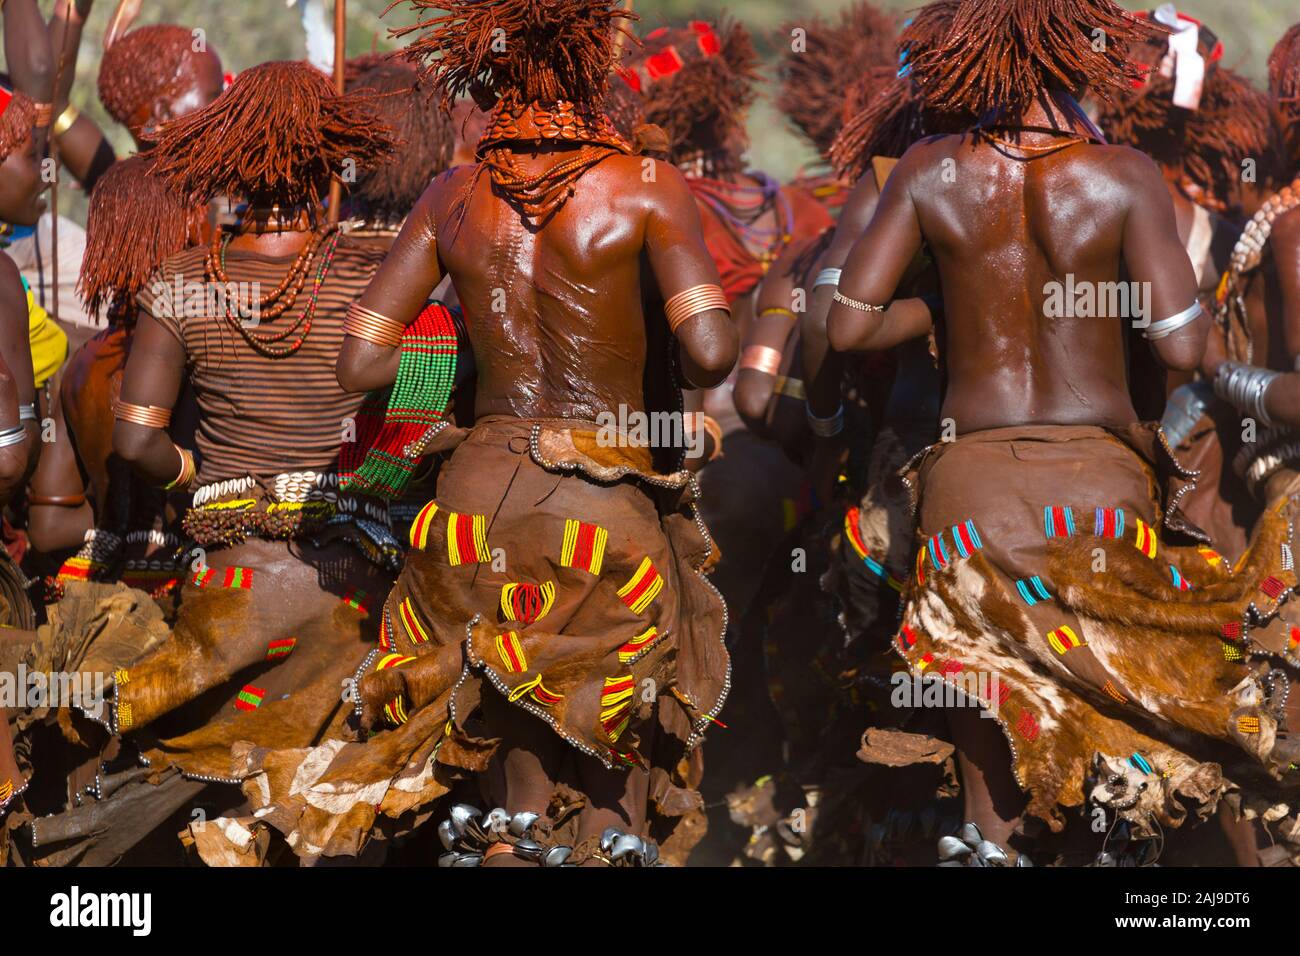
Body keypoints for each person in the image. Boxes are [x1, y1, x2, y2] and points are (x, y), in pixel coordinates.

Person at [200, 0, 736, 868]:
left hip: (470, 511)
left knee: (508, 811)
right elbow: (710, 353)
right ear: (593, 67)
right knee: (610, 794)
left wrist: (464, 368)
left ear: (486, 76)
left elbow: (362, 365)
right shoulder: (645, 187)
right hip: (604, 515)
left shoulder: (452, 196)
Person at [828, 0, 1300, 866]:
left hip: (970, 501)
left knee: (990, 814)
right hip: (1101, 496)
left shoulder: (929, 170)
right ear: (1076, 55)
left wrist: (943, 304)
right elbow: (1185, 347)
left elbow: (847, 327)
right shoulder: (1122, 174)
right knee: (1112, 779)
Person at [11, 62, 399, 866]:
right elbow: (429, 400)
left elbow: (136, 444)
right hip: (353, 590)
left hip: (232, 586)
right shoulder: (376, 273)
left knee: (202, 795)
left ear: (222, 160)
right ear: (334, 159)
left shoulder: (183, 285)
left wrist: (199, 480)